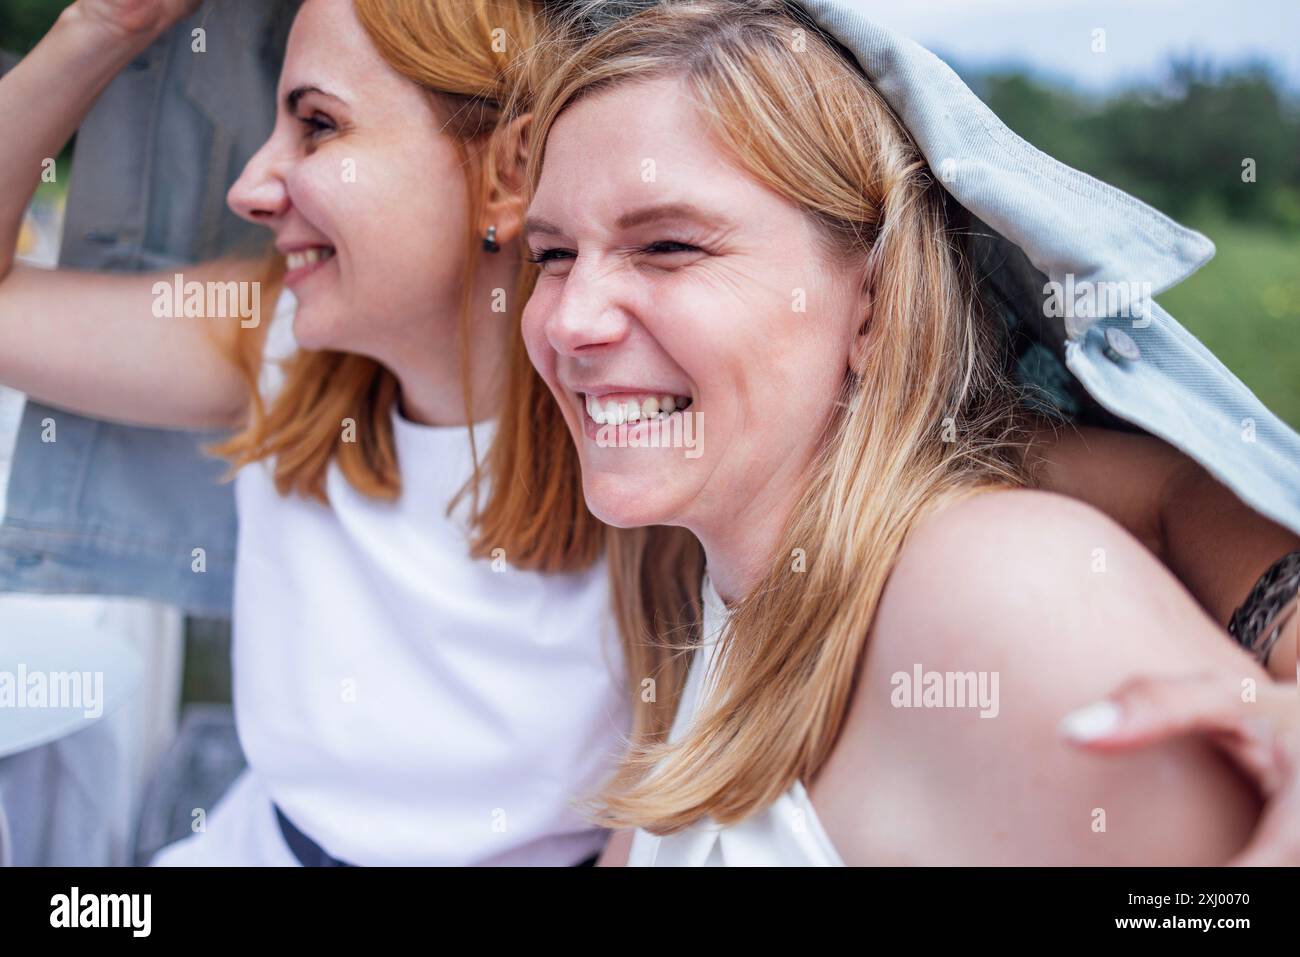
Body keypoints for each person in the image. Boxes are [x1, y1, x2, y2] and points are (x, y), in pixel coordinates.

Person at [501, 0, 1300, 865]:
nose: (569, 318)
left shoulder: (993, 591)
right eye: (550, 255)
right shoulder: (708, 594)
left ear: (875, 303)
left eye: (667, 245)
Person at [0, 0, 628, 866]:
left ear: (509, 176)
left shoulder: (646, 451)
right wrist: (100, 28)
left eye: (319, 126)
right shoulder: (277, 350)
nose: (250, 189)